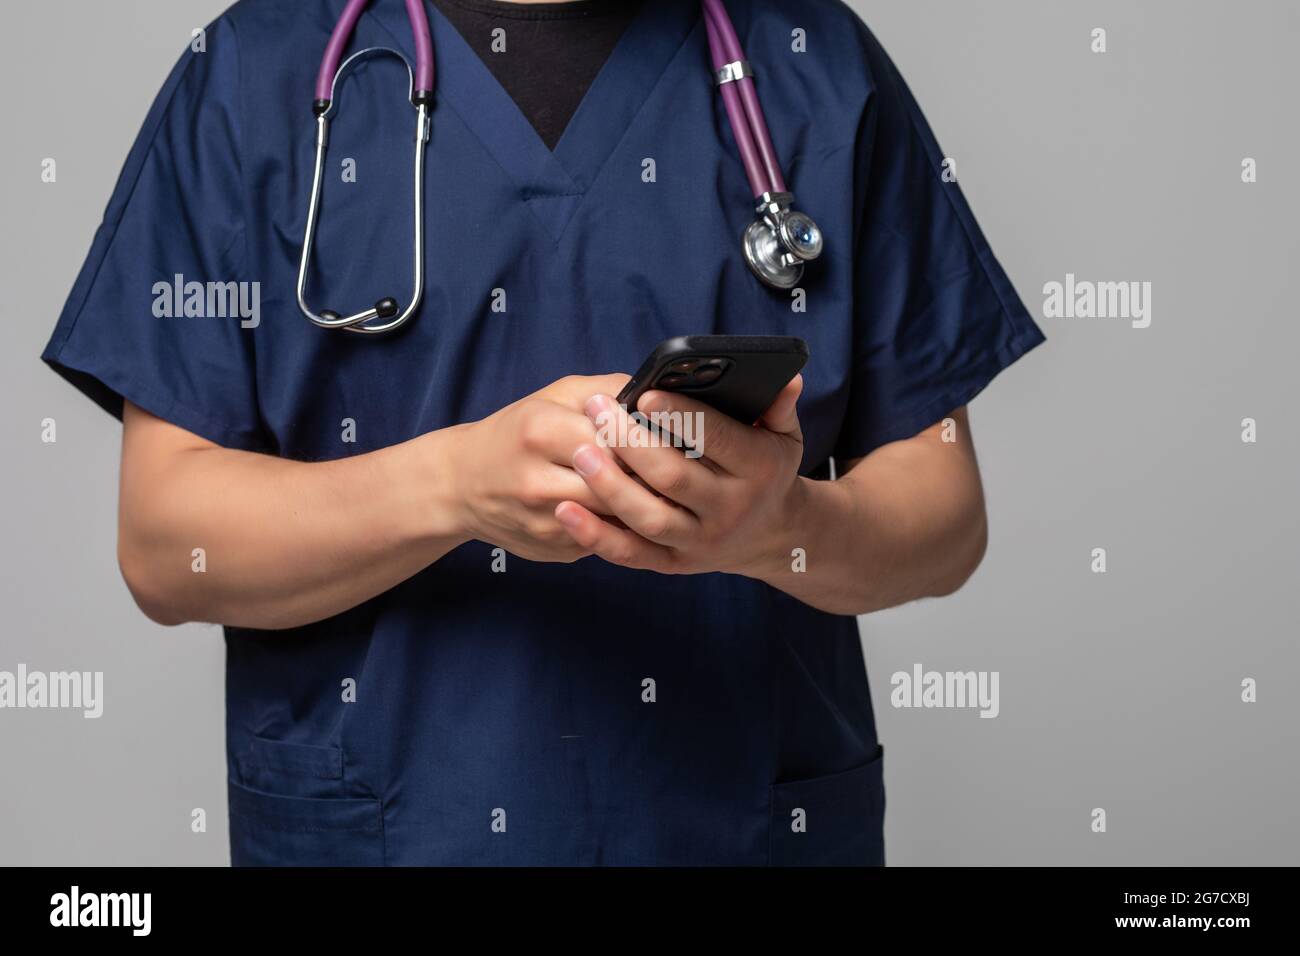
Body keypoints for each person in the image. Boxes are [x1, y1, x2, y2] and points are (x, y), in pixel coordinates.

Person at [41, 0, 1043, 866]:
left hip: (738, 824)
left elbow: (944, 516)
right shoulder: (253, 76)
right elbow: (166, 543)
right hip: (394, 832)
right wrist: (453, 487)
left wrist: (779, 525)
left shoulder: (809, 64)